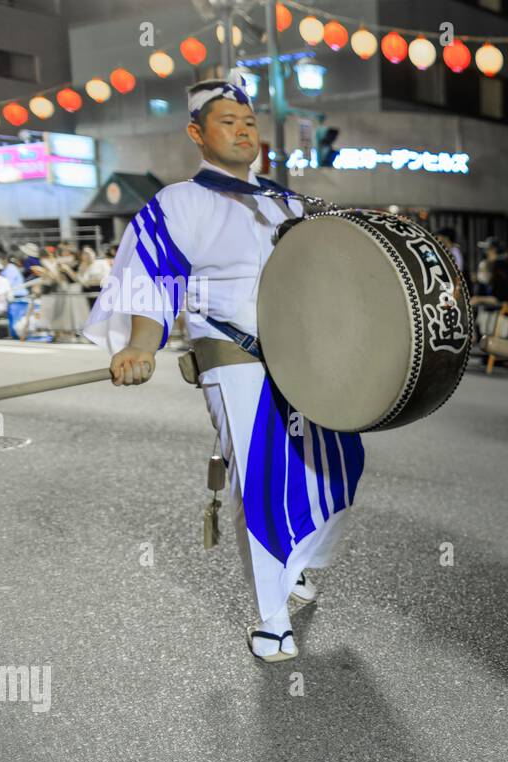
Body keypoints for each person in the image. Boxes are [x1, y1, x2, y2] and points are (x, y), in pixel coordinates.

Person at [83, 77, 365, 662]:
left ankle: (302, 562)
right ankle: (270, 615)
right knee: (261, 477)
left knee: (339, 466)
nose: (243, 130)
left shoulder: (288, 201)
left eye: (249, 122)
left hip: (308, 359)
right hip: (235, 361)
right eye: (227, 122)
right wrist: (140, 344)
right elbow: (154, 273)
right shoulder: (179, 201)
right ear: (197, 134)